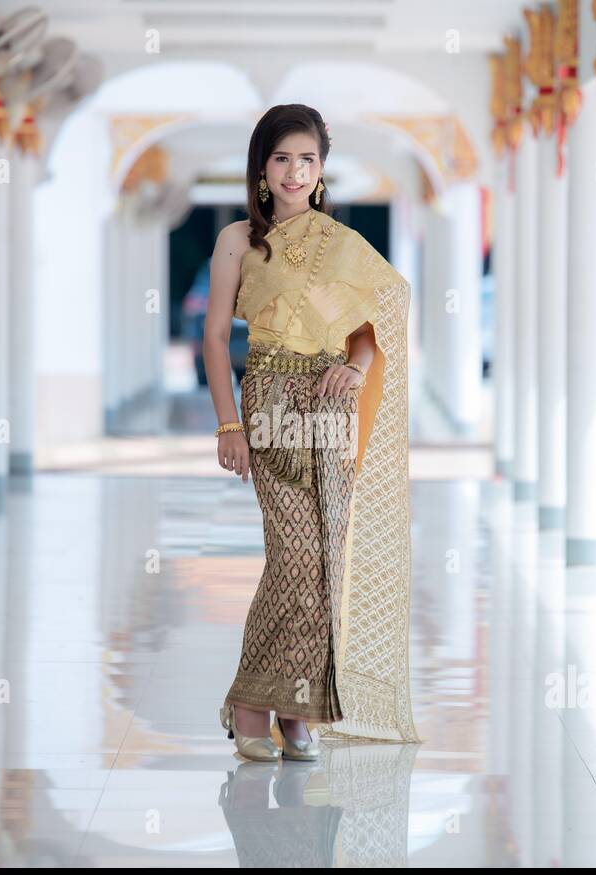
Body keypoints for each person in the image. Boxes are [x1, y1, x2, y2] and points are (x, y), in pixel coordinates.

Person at [203, 104, 422, 762]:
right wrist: (228, 424)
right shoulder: (239, 240)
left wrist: (356, 368)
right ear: (262, 169)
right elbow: (216, 335)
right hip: (269, 398)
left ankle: (297, 705)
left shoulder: (340, 244)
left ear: (322, 171)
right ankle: (250, 700)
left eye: (308, 159)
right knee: (294, 554)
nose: (295, 171)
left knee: (325, 559)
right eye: (282, 159)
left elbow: (378, 315)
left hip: (329, 405)